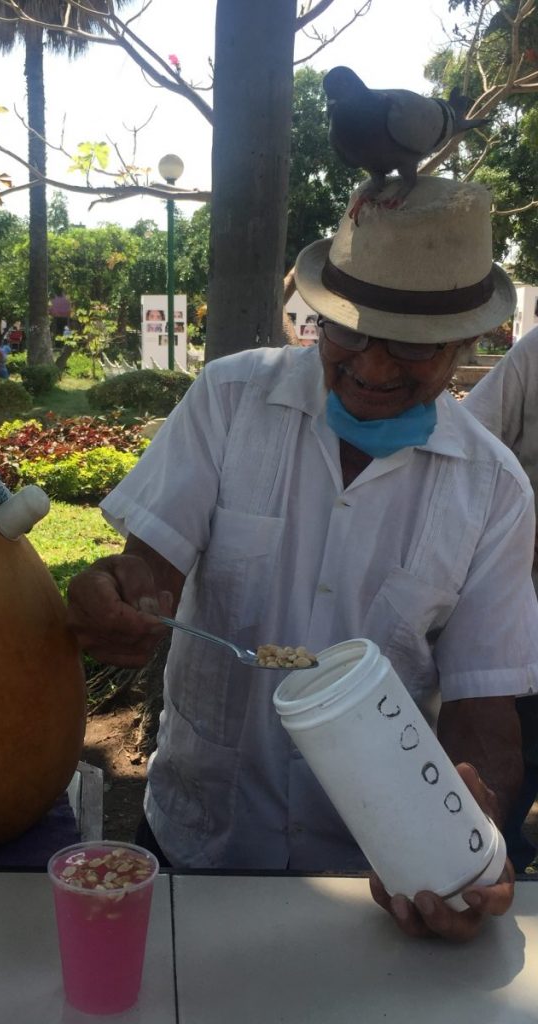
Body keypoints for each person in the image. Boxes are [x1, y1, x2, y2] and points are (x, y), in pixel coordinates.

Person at [67, 176, 538, 942]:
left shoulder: (494, 491)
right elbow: (151, 569)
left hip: (370, 877)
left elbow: (483, 708)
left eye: (412, 346)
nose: (373, 368)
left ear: (465, 346)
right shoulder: (230, 400)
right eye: (348, 332)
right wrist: (123, 598)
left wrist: (467, 829)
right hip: (199, 838)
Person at [463, 326, 538, 871]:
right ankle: (490, 862)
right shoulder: (535, 356)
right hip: (525, 611)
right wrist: (521, 523)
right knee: (519, 750)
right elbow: (469, 441)